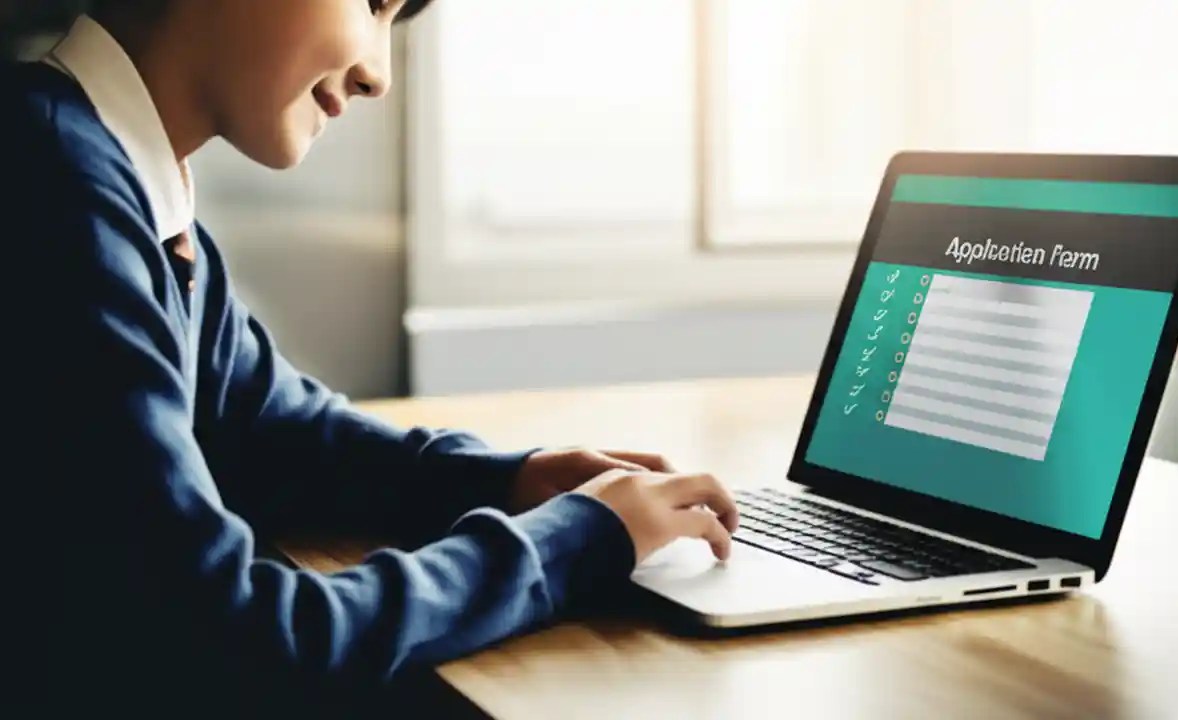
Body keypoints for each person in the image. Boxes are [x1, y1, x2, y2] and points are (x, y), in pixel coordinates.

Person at [1, 1, 737, 715]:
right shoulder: (57, 196)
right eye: (373, 2)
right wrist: (572, 544)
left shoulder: (107, 175)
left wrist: (506, 478)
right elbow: (242, 630)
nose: (377, 74)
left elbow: (276, 428)